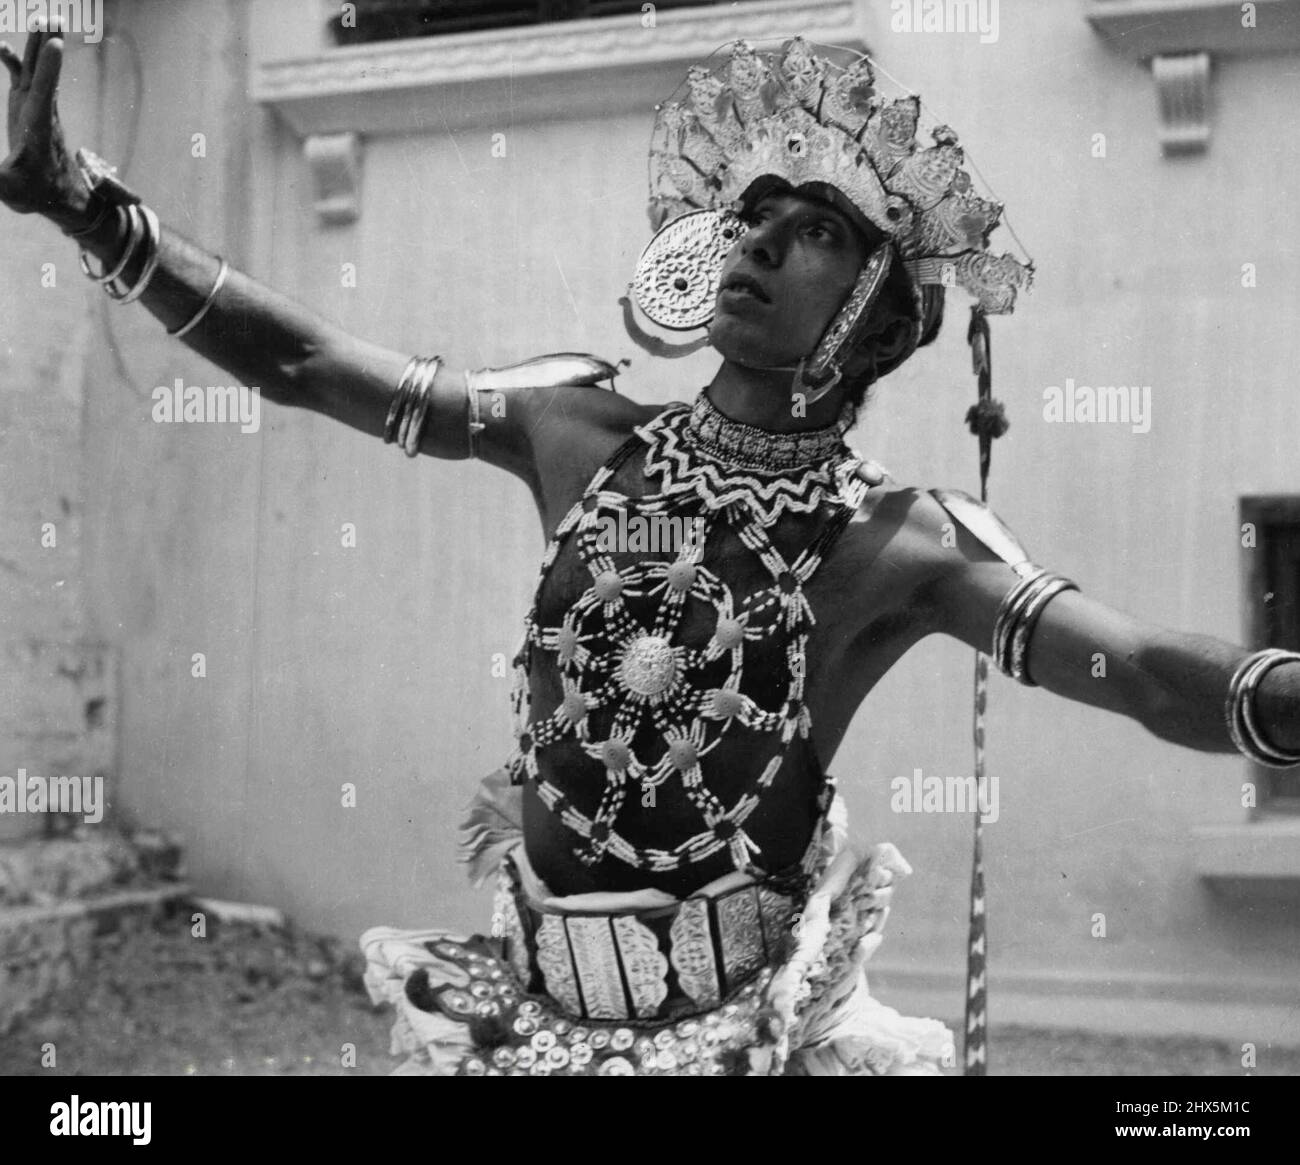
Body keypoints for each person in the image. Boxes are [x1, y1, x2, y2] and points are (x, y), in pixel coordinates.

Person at [3, 25, 1295, 1078]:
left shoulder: (900, 541)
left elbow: (1134, 669)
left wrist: (1279, 698)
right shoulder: (576, 427)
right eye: (757, 217)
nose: (764, 241)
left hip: (756, 1028)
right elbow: (306, 363)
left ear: (876, 317)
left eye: (818, 231)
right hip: (528, 1010)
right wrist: (92, 209)